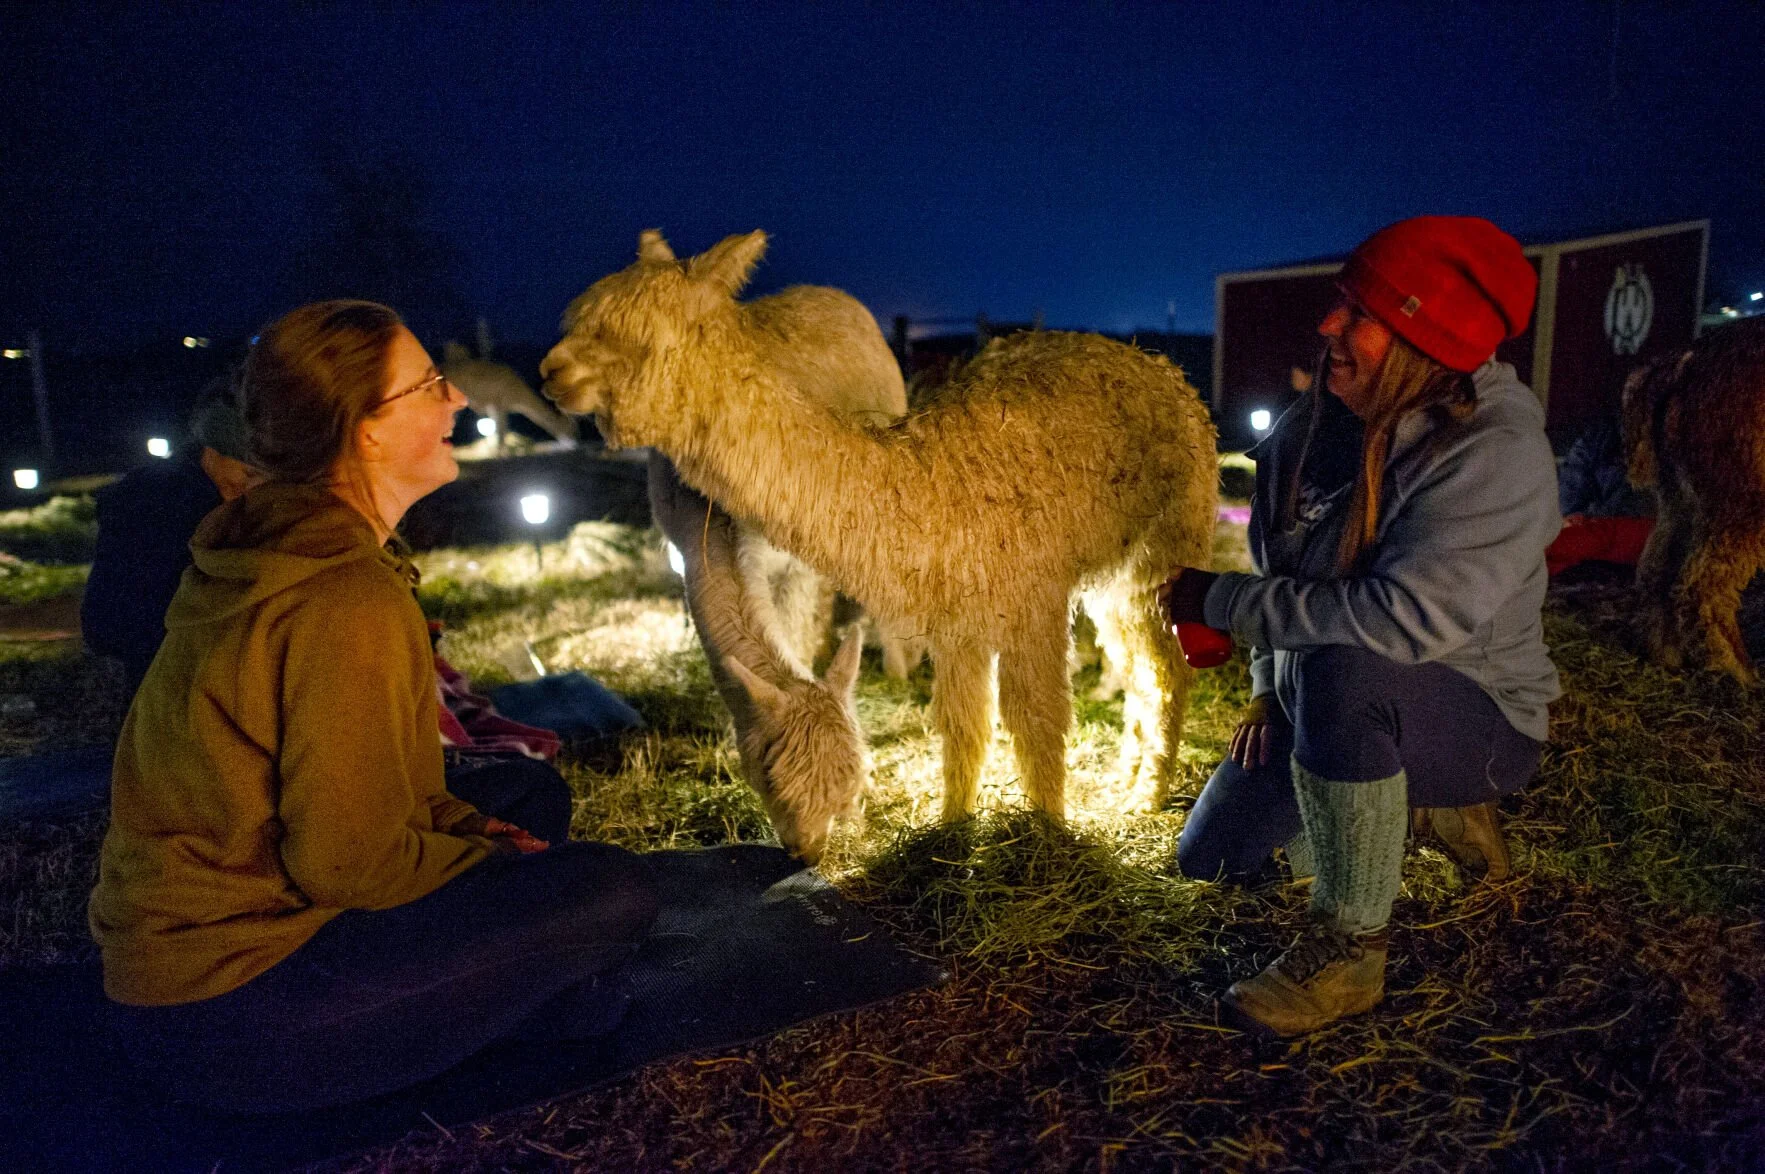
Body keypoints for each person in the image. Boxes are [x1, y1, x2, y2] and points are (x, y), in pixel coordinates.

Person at [88, 300, 658, 1114]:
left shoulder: (286, 539)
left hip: (204, 964)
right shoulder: (343, 596)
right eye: (429, 386)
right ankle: (533, 1003)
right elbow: (344, 863)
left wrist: (480, 831)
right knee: (613, 890)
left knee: (523, 793)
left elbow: (386, 798)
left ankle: (528, 997)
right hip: (234, 1008)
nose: (458, 398)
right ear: (366, 431)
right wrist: (498, 862)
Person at [1159, 217, 1560, 1037]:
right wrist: (1267, 697)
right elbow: (1284, 579)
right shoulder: (1306, 435)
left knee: (1350, 668)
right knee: (1210, 859)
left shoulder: (1495, 451)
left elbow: (1400, 624)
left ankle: (1349, 948)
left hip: (1475, 717)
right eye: (1339, 302)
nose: (1327, 326)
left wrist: (1219, 603)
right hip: (1324, 696)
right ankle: (1390, 804)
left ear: (1423, 337)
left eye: (1360, 314)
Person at [81, 378, 575, 846]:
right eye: (250, 472)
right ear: (214, 452)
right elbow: (109, 626)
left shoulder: (298, 507)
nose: (258, 488)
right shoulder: (157, 505)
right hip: (234, 755)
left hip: (320, 740)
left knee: (527, 791)